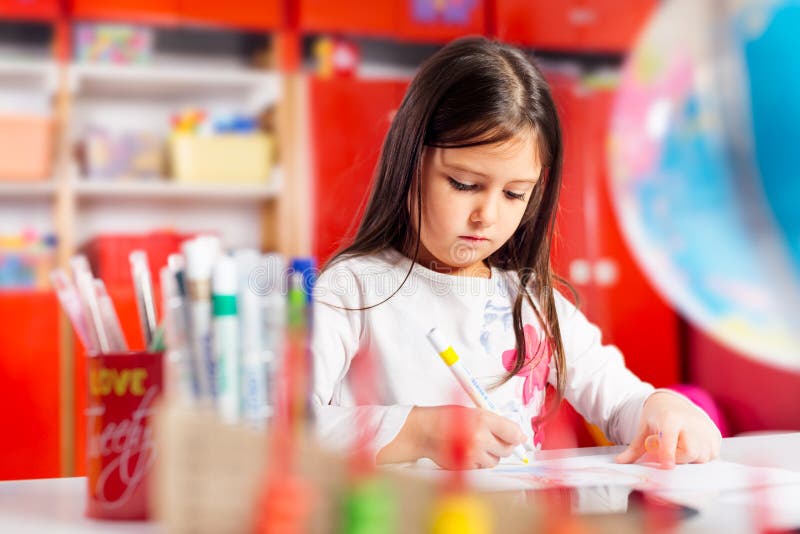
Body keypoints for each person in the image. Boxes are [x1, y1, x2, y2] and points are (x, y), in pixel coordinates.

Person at [310, 36, 721, 470]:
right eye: (463, 184)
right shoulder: (352, 289)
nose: (486, 215)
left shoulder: (531, 302)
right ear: (410, 162)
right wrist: (421, 432)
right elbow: (282, 427)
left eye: (513, 193)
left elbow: (623, 402)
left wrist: (662, 411)